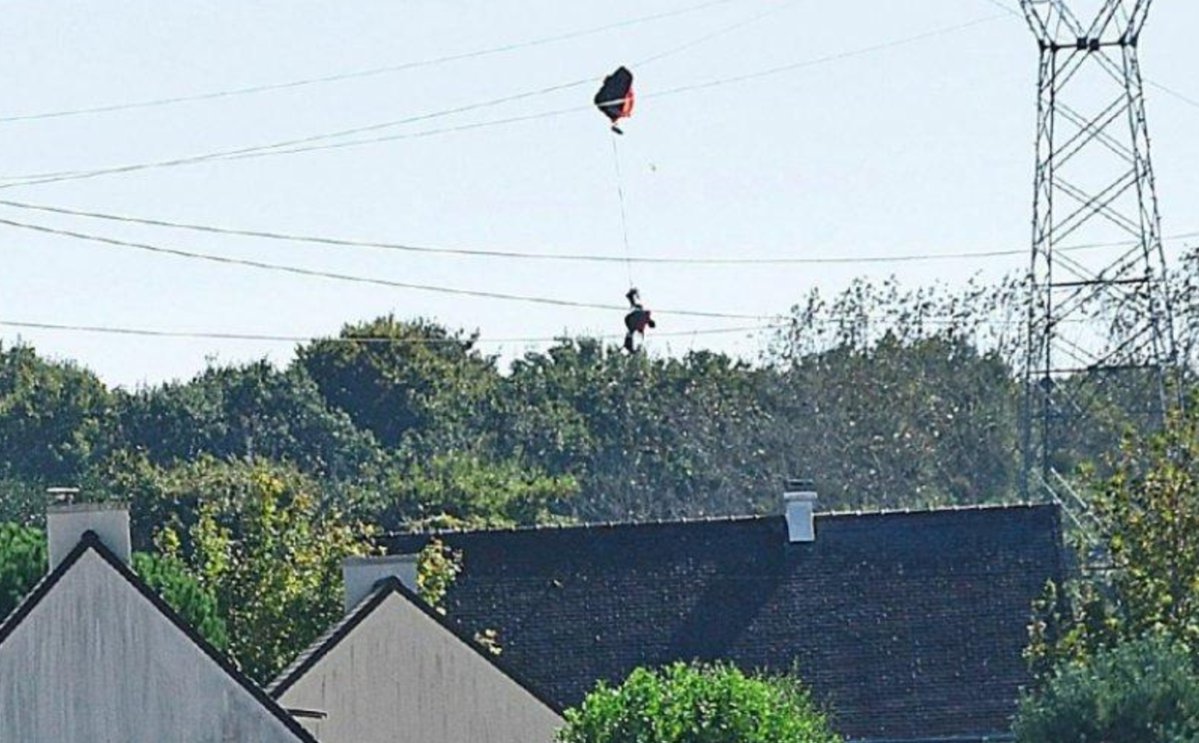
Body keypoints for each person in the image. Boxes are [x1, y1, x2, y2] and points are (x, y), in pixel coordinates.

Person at [623, 287, 656, 353]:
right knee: (631, 333)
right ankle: (629, 347)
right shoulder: (646, 319)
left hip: (632, 318)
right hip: (633, 318)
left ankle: (629, 346)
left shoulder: (646, 318)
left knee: (631, 333)